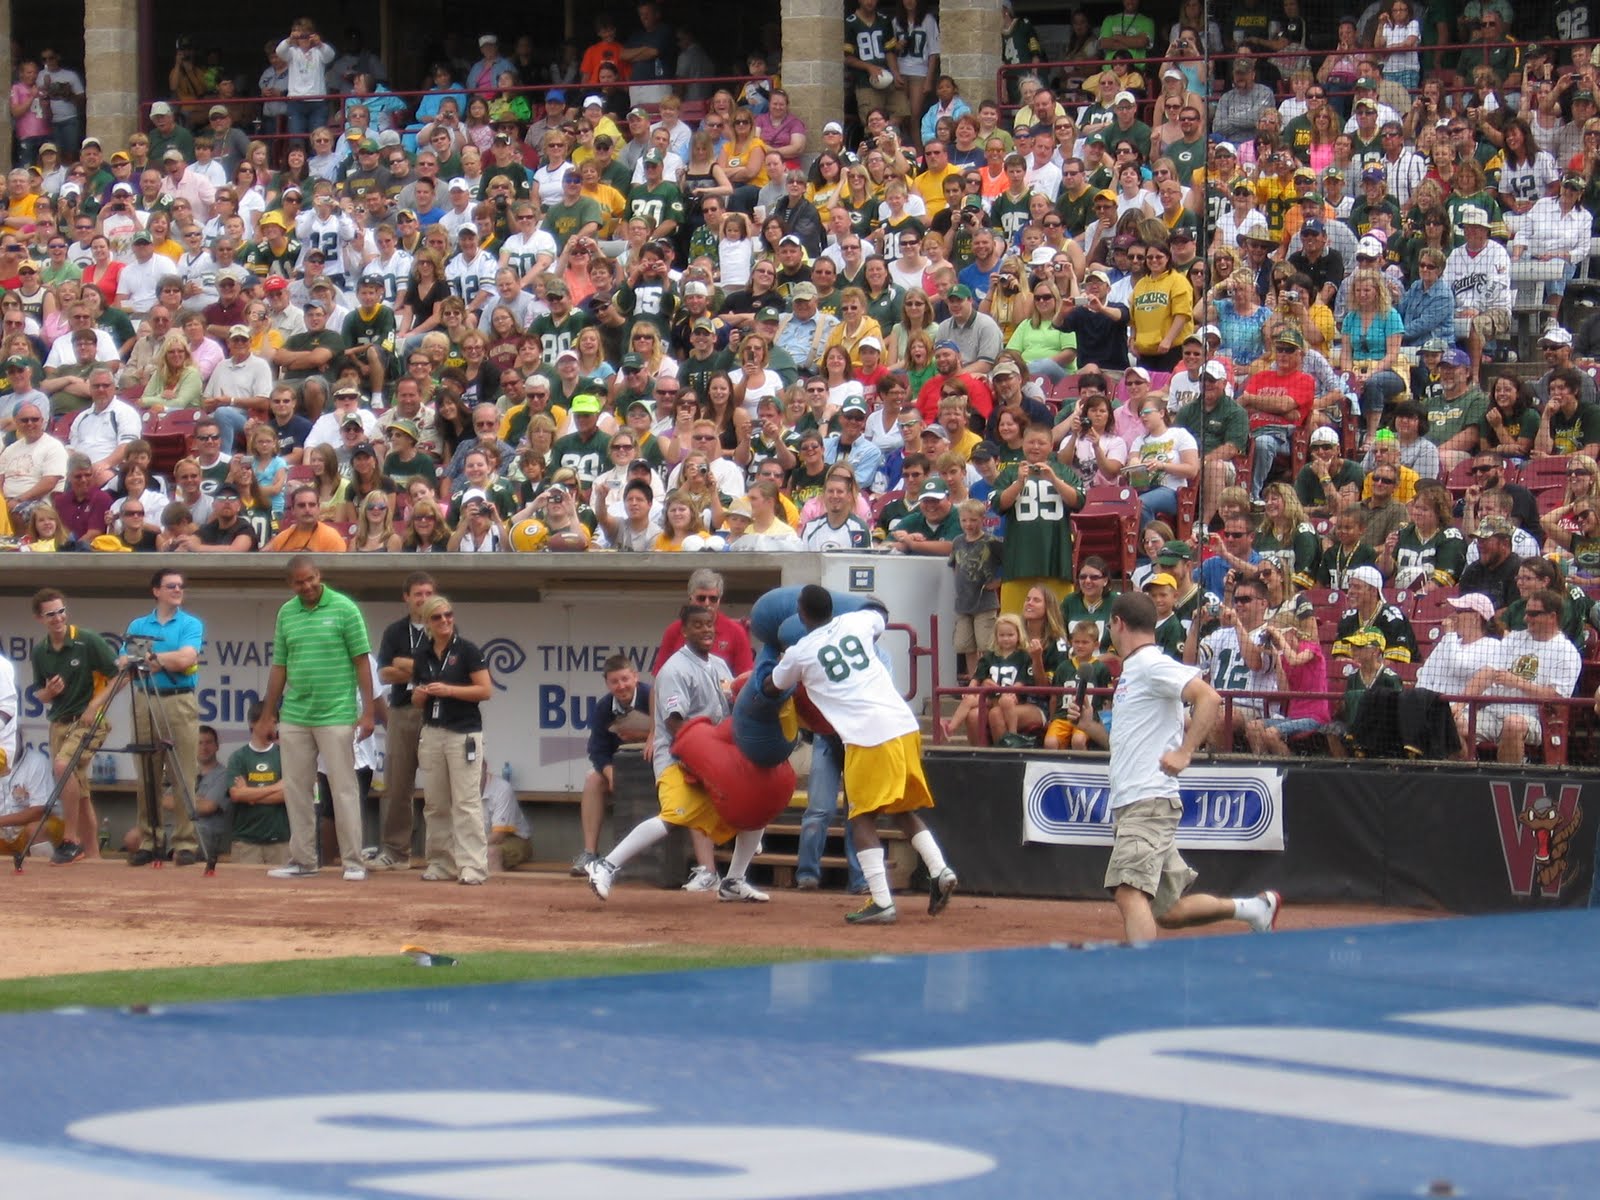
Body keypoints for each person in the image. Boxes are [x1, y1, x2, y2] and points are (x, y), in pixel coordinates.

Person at [766, 587, 958, 924]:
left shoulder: (800, 651)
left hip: (867, 736)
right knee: (901, 810)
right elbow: (879, 612)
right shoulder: (856, 621)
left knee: (861, 818)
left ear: (801, 614)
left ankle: (882, 902)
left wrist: (771, 655)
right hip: (903, 725)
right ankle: (940, 869)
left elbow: (773, 686)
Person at [1104, 591, 1282, 944]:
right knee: (1167, 912)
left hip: (1147, 800)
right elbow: (1180, 717)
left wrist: (1186, 752)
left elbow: (1209, 697)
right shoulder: (1138, 668)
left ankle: (1145, 979)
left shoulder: (1149, 663)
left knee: (1128, 892)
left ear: (1118, 623)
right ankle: (1254, 909)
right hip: (1138, 800)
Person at [587, 604, 770, 904]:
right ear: (683, 631)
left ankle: (733, 881)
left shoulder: (720, 666)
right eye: (698, 625)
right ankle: (604, 865)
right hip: (678, 758)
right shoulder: (675, 669)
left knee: (756, 809)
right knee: (673, 817)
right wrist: (708, 753)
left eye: (709, 624)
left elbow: (732, 709)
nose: (706, 630)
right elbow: (674, 722)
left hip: (713, 760)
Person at [260, 556, 376, 881]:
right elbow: (279, 666)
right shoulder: (286, 613)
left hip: (337, 713)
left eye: (311, 579)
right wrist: (269, 713)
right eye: (300, 582)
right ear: (291, 584)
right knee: (297, 789)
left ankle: (353, 862)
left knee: (343, 789)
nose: (307, 586)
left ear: (319, 575)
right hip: (295, 713)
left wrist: (367, 712)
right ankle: (303, 860)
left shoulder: (345, 608)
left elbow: (362, 662)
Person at [30, 587, 118, 865]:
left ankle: (71, 840)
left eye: (61, 611)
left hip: (89, 720)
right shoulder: (40, 651)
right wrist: (49, 692)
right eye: (51, 614)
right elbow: (39, 695)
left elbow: (120, 676)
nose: (58, 618)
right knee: (79, 794)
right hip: (59, 722)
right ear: (40, 619)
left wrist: (95, 706)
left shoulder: (87, 640)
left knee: (62, 766)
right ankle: (93, 856)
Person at [123, 568, 205, 866]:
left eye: (181, 586)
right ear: (156, 590)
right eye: (170, 586)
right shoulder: (138, 624)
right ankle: (150, 840)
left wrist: (154, 659)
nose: (177, 590)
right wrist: (155, 661)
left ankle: (185, 843)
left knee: (182, 773)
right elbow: (124, 660)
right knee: (147, 773)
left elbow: (187, 658)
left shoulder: (190, 623)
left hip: (179, 700)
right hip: (144, 699)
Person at [411, 594, 493, 885]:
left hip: (464, 732)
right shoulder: (422, 655)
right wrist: (419, 696)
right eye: (437, 617)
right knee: (435, 803)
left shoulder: (468, 650)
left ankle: (472, 866)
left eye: (448, 615)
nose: (444, 620)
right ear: (427, 622)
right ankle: (441, 862)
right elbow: (417, 697)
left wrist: (450, 691)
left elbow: (485, 690)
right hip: (432, 731)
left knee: (466, 802)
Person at [1467, 589, 1581, 765]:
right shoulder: (1515, 639)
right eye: (1527, 612)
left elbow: (1557, 698)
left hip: (1536, 718)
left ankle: (1505, 782)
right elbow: (1488, 671)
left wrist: (1518, 682)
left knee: (1513, 724)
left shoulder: (1566, 652)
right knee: (1455, 723)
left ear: (1552, 617)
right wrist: (1461, 704)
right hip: (1494, 711)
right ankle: (1466, 777)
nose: (1525, 618)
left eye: (1533, 614)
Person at [371, 572, 436, 871]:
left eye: (428, 593)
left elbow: (442, 673)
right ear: (406, 597)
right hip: (401, 711)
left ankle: (441, 854)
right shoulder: (395, 631)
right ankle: (396, 851)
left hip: (437, 714)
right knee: (397, 785)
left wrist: (406, 664)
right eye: (418, 594)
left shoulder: (443, 625)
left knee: (439, 787)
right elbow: (384, 674)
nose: (423, 599)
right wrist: (421, 670)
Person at [573, 654, 653, 876]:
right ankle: (589, 853)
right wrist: (610, 774)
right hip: (622, 769)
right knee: (592, 780)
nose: (621, 686)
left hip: (655, 768)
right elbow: (597, 750)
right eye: (615, 681)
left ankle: (640, 861)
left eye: (625, 679)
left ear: (635, 677)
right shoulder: (603, 707)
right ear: (607, 684)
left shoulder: (652, 696)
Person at [224, 701, 291, 865]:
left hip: (280, 841)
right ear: (253, 723)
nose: (272, 726)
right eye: (268, 721)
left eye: (275, 722)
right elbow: (236, 794)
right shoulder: (238, 757)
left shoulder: (284, 755)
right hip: (246, 841)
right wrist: (275, 787)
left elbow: (288, 794)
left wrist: (251, 795)